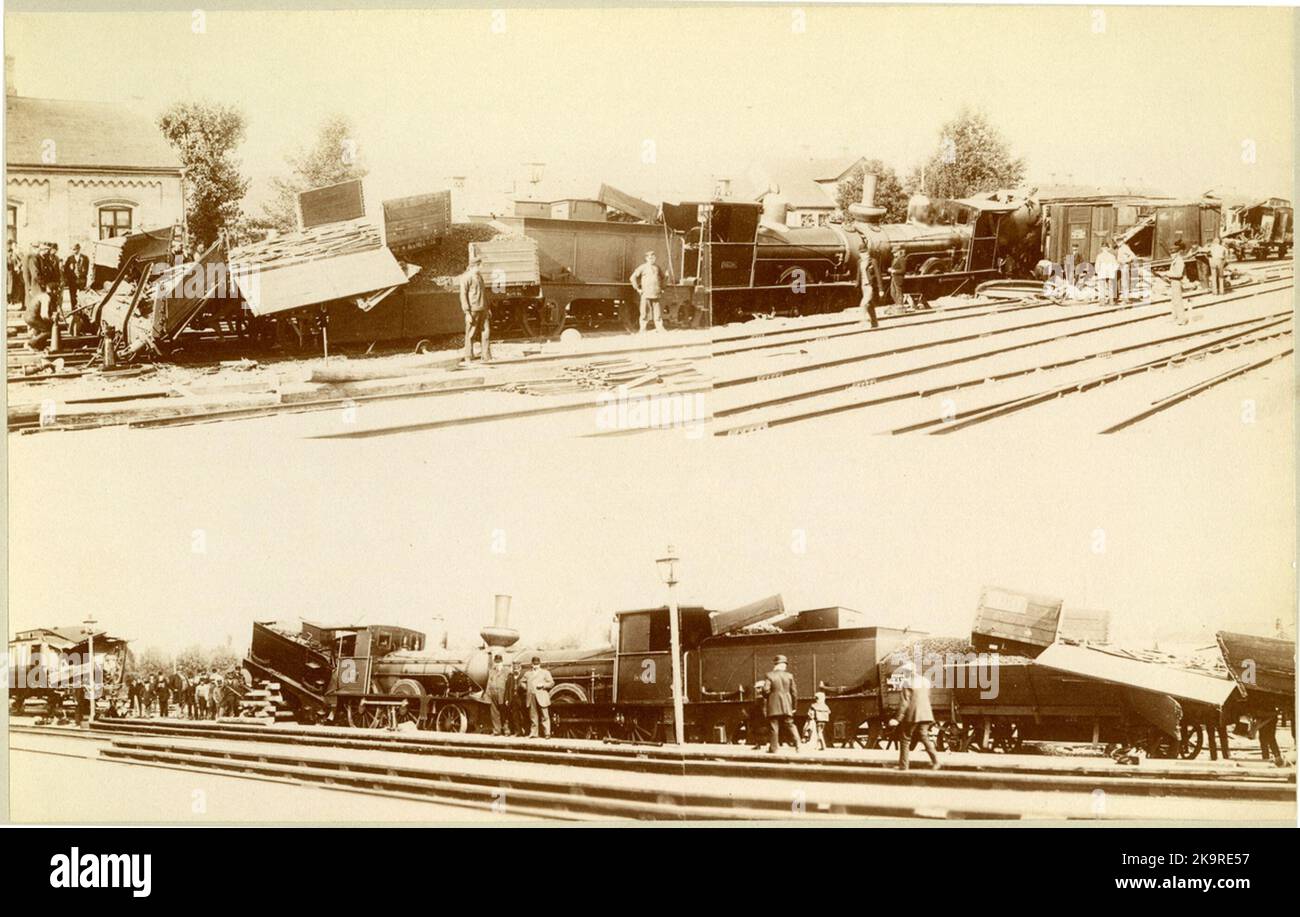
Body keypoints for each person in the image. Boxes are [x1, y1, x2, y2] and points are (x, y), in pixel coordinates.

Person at [894, 661, 940, 770]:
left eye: (904, 672)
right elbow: (927, 697)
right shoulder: (925, 681)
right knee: (924, 737)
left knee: (905, 739)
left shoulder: (907, 682)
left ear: (907, 672)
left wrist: (897, 718)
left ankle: (903, 766)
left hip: (913, 715)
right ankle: (936, 761)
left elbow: (905, 702)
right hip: (926, 714)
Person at [763, 654, 800, 754]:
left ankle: (774, 749)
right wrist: (794, 706)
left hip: (774, 704)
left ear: (775, 664)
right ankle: (798, 745)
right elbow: (794, 693)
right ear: (784, 665)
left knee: (774, 726)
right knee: (790, 724)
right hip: (787, 705)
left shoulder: (769, 675)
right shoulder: (789, 676)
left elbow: (765, 690)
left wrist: (769, 697)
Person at [458, 255, 491, 363]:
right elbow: (463, 295)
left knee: (486, 332)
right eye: (480, 265)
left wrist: (488, 308)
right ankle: (468, 356)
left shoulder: (479, 276)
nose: (481, 267)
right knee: (471, 333)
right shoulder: (466, 277)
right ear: (474, 266)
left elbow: (484, 293)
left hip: (483, 308)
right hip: (473, 309)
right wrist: (467, 312)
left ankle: (486, 356)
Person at [629, 250, 668, 333]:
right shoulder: (642, 267)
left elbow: (663, 278)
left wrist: (663, 288)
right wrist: (637, 289)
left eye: (653, 258)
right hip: (645, 294)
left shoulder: (657, 267)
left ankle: (660, 328)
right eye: (650, 258)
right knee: (644, 312)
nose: (652, 259)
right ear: (646, 259)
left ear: (655, 258)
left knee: (657, 313)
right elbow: (632, 278)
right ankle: (642, 329)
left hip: (656, 294)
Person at [524, 656, 554, 738]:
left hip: (542, 696)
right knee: (533, 715)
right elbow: (521, 682)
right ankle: (534, 733)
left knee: (545, 715)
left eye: (537, 664)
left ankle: (547, 733)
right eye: (534, 664)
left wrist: (543, 685)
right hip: (531, 696)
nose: (535, 666)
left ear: (540, 664)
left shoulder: (545, 673)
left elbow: (551, 683)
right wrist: (527, 688)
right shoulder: (527, 673)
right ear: (531, 664)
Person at [486, 653, 511, 735]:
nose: (498, 663)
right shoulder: (491, 671)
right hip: (493, 694)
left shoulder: (506, 671)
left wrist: (507, 696)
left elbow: (509, 684)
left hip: (503, 695)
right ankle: (497, 730)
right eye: (496, 662)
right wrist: (487, 694)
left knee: (504, 713)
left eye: (499, 662)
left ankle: (506, 730)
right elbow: (489, 683)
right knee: (494, 713)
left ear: (502, 662)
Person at [1166, 240, 1188, 325]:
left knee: (1178, 301)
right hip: (1173, 282)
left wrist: (1168, 274)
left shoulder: (1179, 261)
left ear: (1177, 253)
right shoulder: (1175, 260)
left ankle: (1182, 320)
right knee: (1174, 301)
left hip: (1177, 282)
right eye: (1171, 253)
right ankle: (1175, 318)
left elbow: (1179, 274)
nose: (1171, 255)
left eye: (1173, 253)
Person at [858, 255, 879, 328]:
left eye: (865, 252)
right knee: (870, 305)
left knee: (863, 304)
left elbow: (878, 274)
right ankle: (874, 323)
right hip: (863, 286)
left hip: (870, 285)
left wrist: (881, 289)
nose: (863, 254)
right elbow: (859, 274)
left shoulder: (872, 261)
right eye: (861, 253)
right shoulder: (860, 261)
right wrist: (857, 283)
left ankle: (863, 322)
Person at [508, 660, 528, 736]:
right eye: (514, 668)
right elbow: (508, 689)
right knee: (515, 715)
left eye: (517, 668)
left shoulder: (523, 676)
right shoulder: (510, 677)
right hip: (513, 698)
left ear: (520, 668)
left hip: (522, 698)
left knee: (524, 715)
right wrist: (507, 699)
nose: (515, 670)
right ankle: (518, 731)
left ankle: (527, 731)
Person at [1116, 238, 1138, 303]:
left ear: (1122, 241)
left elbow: (1133, 256)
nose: (1118, 243)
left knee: (1125, 282)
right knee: (1121, 282)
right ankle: (1123, 297)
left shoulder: (1125, 247)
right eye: (1117, 241)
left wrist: (1126, 261)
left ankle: (1126, 298)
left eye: (1119, 241)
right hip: (1120, 266)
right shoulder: (1120, 248)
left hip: (1124, 266)